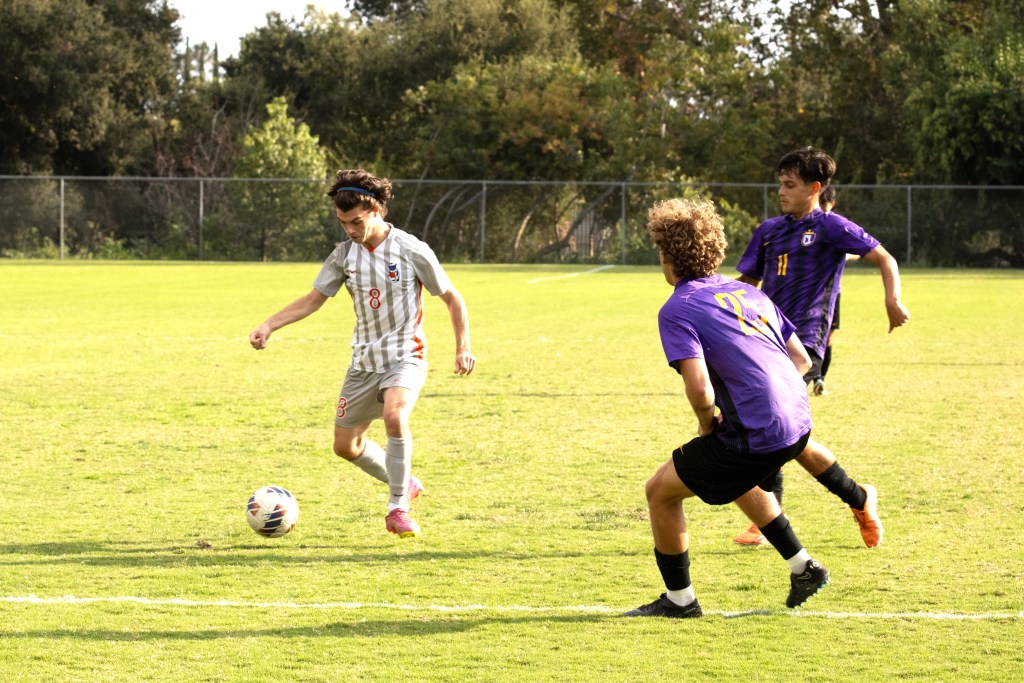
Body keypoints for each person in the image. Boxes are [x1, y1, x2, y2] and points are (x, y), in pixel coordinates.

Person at [626, 197, 870, 617]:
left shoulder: (677, 308)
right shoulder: (748, 292)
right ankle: (803, 567)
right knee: (736, 476)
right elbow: (802, 359)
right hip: (798, 427)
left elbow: (700, 391)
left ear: (667, 257)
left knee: (660, 492)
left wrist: (707, 424)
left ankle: (680, 602)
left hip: (758, 433)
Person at [249, 169, 476, 539]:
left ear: (376, 211)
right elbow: (312, 300)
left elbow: (452, 298)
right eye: (343, 223)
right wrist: (269, 325)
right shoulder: (344, 256)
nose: (350, 230)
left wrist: (462, 347)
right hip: (363, 363)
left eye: (356, 221)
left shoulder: (410, 249)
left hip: (406, 355)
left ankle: (397, 508)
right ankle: (405, 482)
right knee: (346, 446)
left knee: (395, 415)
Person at [730, 147, 907, 547]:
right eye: (779, 183)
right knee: (783, 433)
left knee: (770, 421)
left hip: (805, 342)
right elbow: (747, 281)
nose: (781, 191)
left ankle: (768, 516)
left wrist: (892, 299)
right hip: (766, 339)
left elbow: (885, 257)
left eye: (790, 185)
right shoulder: (769, 230)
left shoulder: (829, 227)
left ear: (814, 188)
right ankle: (858, 498)